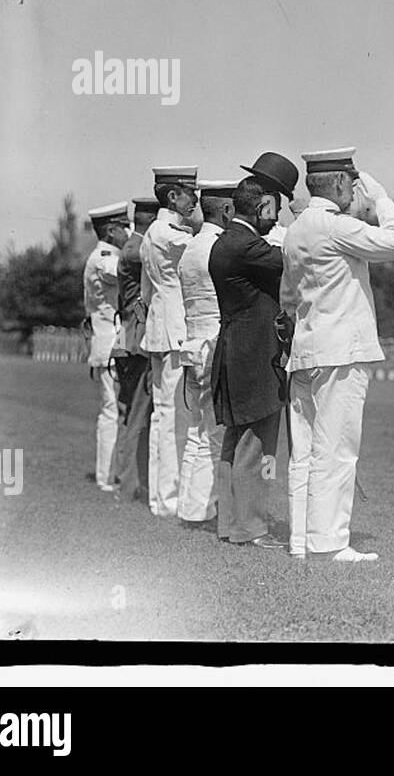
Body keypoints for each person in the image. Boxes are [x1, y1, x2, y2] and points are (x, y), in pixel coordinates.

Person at [282, 148, 394, 562]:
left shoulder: (298, 228)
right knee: (337, 450)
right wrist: (379, 198)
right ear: (341, 183)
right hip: (340, 352)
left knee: (304, 452)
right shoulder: (335, 226)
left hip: (306, 349)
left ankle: (301, 540)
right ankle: (330, 542)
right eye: (349, 185)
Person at [209, 173, 292, 550]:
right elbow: (294, 259)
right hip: (254, 355)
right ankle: (253, 528)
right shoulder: (247, 246)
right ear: (260, 207)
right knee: (255, 445)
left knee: (235, 442)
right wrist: (307, 222)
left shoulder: (229, 240)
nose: (277, 218)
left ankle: (232, 523)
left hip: (236, 351)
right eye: (274, 209)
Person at [175, 179, 237, 528]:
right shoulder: (221, 248)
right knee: (216, 435)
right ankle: (214, 510)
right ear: (228, 210)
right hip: (214, 344)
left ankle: (192, 509)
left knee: (198, 433)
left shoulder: (192, 247)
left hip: (192, 344)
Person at [140, 167, 198, 516]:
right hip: (175, 332)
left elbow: (147, 294)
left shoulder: (153, 232)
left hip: (161, 329)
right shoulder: (171, 234)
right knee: (173, 416)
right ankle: (170, 496)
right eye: (190, 193)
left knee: (163, 415)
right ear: (173, 196)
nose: (196, 199)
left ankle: (160, 498)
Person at [109, 198, 158, 502]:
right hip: (136, 339)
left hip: (128, 338)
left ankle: (125, 482)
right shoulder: (137, 250)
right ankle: (127, 486)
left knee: (131, 414)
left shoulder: (132, 247)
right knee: (137, 415)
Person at [83, 202, 127, 491]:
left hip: (109, 344)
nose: (127, 232)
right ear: (111, 230)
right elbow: (121, 271)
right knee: (112, 411)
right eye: (123, 226)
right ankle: (105, 477)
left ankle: (110, 474)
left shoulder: (103, 253)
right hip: (109, 345)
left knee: (115, 411)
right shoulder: (104, 256)